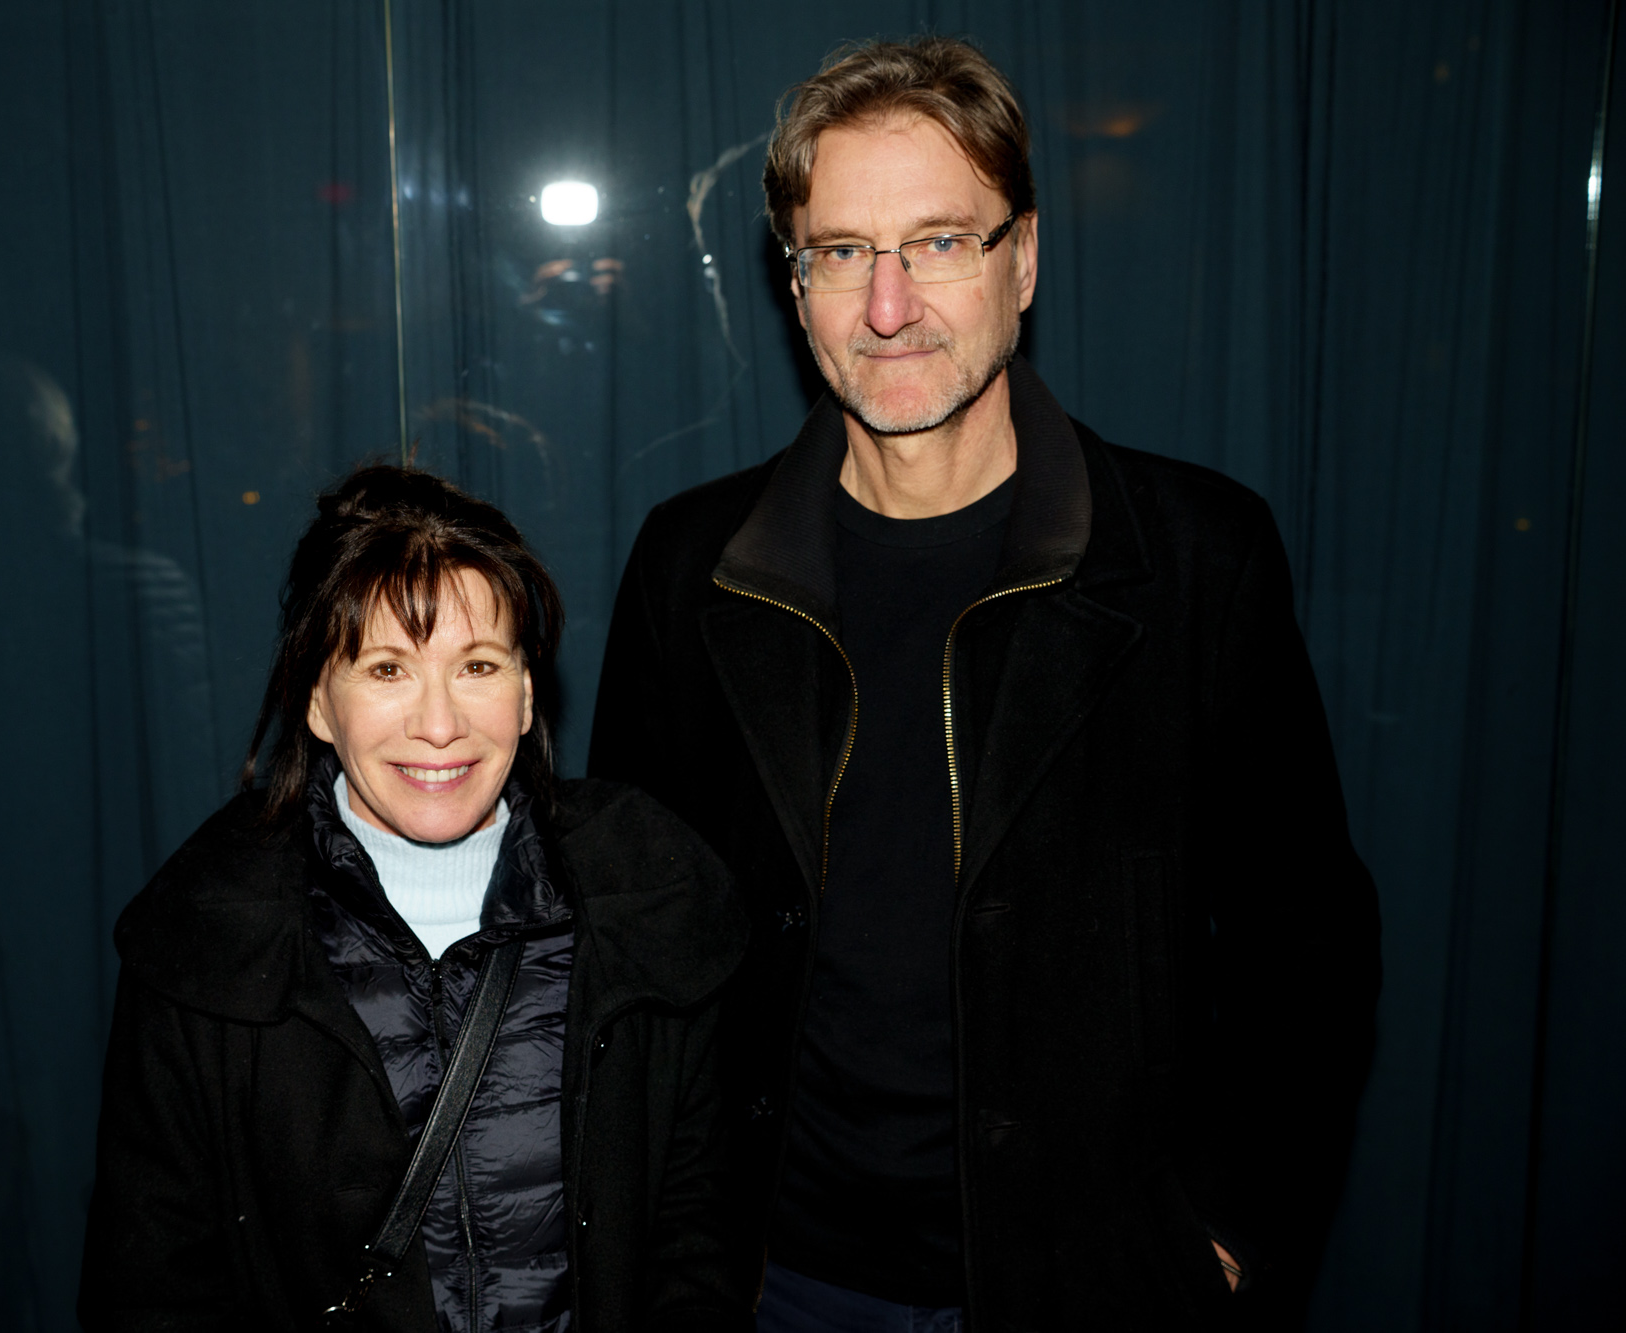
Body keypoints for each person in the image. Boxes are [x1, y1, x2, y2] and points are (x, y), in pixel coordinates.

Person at [589, 36, 1381, 1333]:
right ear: (794, 284)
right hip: (773, 1286)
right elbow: (631, 945)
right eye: (842, 252)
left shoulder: (1191, 559)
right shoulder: (696, 568)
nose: (887, 305)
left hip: (1090, 1284)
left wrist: (1221, 1237)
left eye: (940, 241)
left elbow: (1310, 943)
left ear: (1024, 257)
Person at [79, 467, 750, 1332]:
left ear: (526, 690)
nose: (439, 723)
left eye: (476, 665)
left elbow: (699, 1246)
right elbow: (152, 1288)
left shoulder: (648, 902)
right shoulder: (206, 943)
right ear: (319, 700)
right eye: (388, 668)